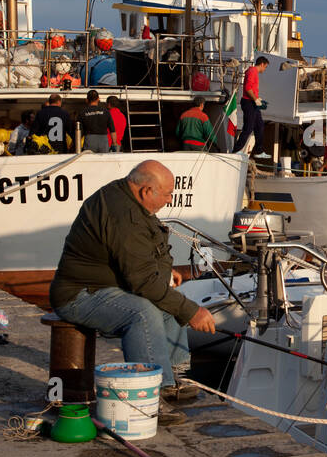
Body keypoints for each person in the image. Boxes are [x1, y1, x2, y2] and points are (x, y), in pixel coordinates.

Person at [50, 161, 217, 425]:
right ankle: (152, 395)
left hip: (108, 285)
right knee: (142, 312)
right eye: (166, 194)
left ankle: (173, 377)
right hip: (79, 294)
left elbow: (151, 248)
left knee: (166, 299)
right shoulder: (123, 214)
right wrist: (192, 311)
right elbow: (143, 284)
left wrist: (164, 273)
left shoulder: (128, 199)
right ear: (146, 190)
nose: (169, 199)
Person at [231, 56, 270, 154]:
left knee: (259, 125)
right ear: (262, 64)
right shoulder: (252, 72)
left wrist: (258, 99)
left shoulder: (253, 72)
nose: (265, 69)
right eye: (265, 67)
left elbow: (251, 89)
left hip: (252, 102)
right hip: (249, 103)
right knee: (248, 128)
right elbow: (248, 89)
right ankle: (237, 150)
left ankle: (259, 150)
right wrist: (256, 100)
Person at [77, 89, 115, 153]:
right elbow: (112, 129)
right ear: (98, 99)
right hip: (103, 141)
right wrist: (114, 143)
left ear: (87, 100)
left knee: (90, 161)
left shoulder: (82, 113)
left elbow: (79, 131)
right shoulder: (106, 111)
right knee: (104, 161)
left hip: (89, 140)